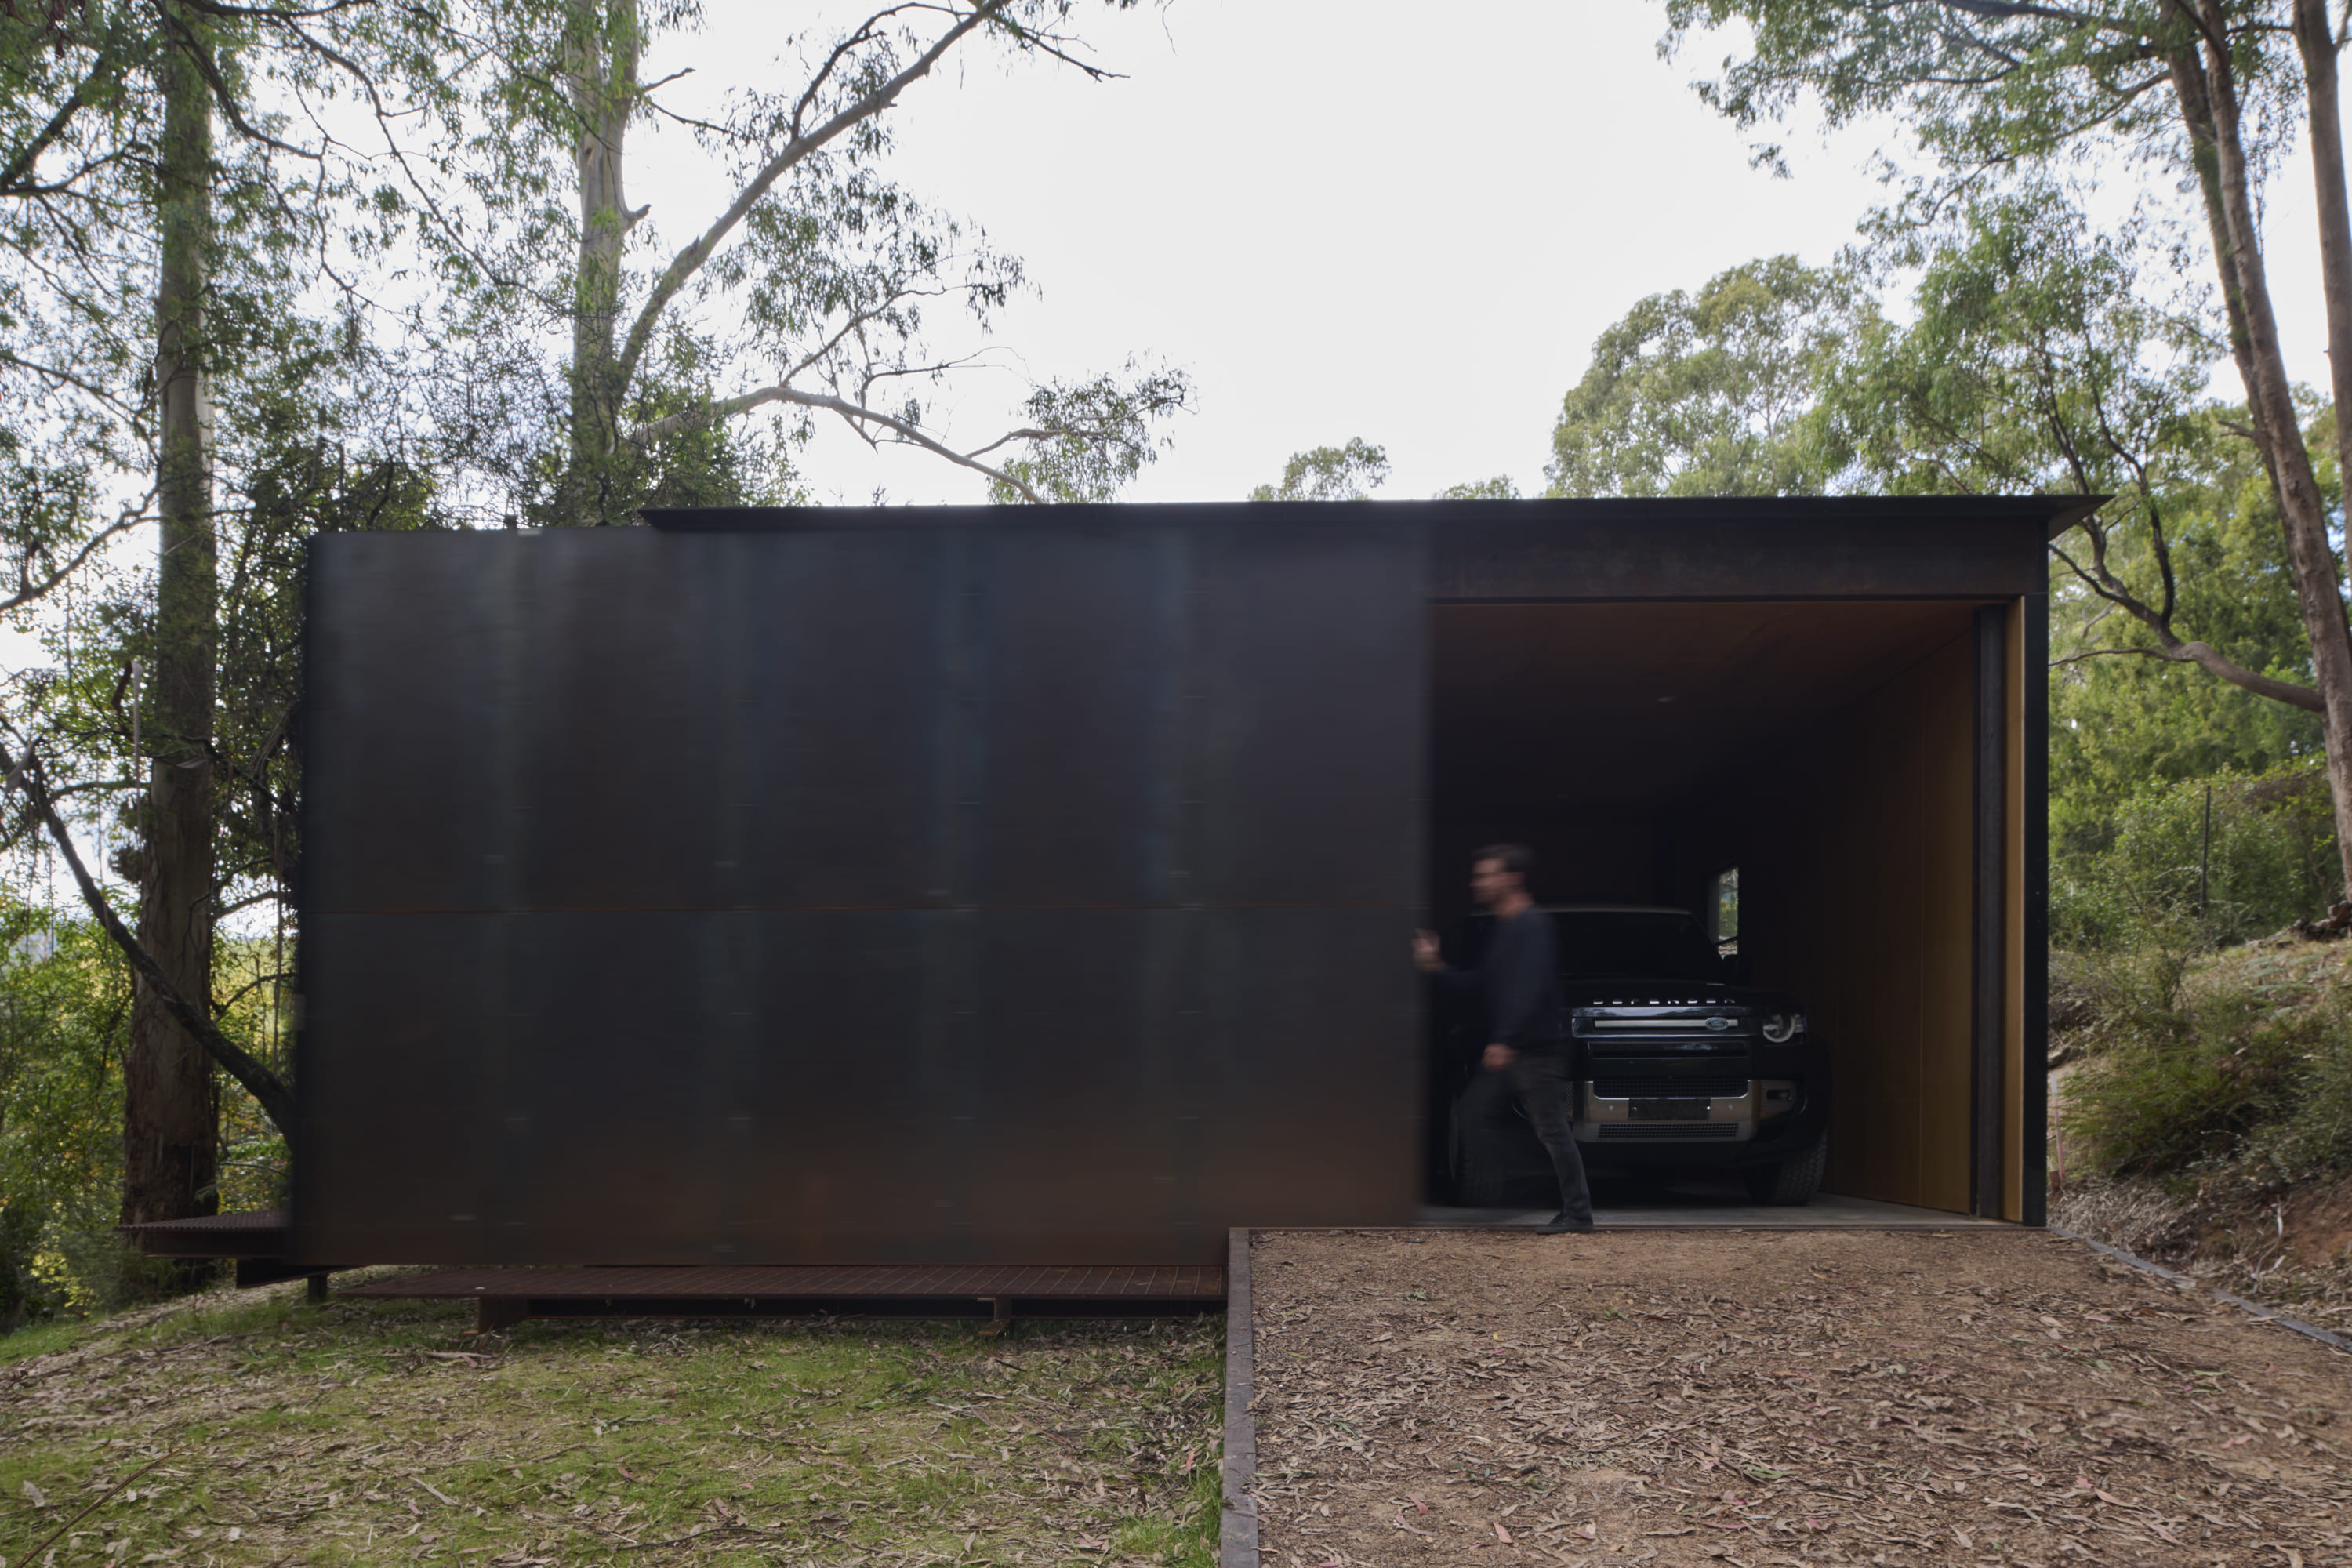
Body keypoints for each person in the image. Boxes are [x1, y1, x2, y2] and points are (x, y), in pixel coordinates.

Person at [1414, 844, 1595, 1234]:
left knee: (1549, 1129)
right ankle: (1522, 1193)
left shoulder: (1533, 926)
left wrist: (1507, 1040)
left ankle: (1576, 1213)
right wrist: (1437, 967)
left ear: (1512, 879)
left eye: (1487, 875)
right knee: (1476, 1116)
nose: (1477, 882)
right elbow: (1482, 985)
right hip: (1516, 1049)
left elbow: (1529, 988)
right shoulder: (1505, 930)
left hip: (1537, 1049)